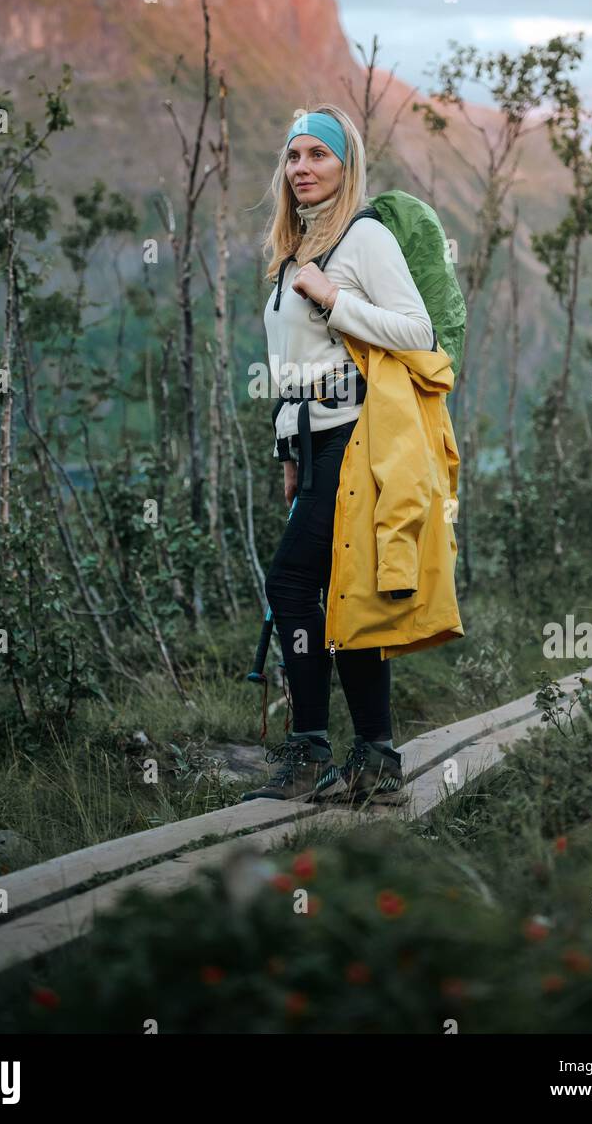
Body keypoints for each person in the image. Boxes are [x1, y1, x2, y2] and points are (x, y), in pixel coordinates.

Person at [241, 104, 435, 805]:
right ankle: (374, 760)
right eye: (292, 157)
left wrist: (332, 298)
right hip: (316, 443)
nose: (301, 169)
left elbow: (418, 332)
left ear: (344, 164)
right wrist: (289, 449)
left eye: (316, 156)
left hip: (360, 440)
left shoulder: (364, 238)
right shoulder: (295, 249)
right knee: (338, 594)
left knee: (292, 584)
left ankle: (312, 749)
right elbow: (296, 365)